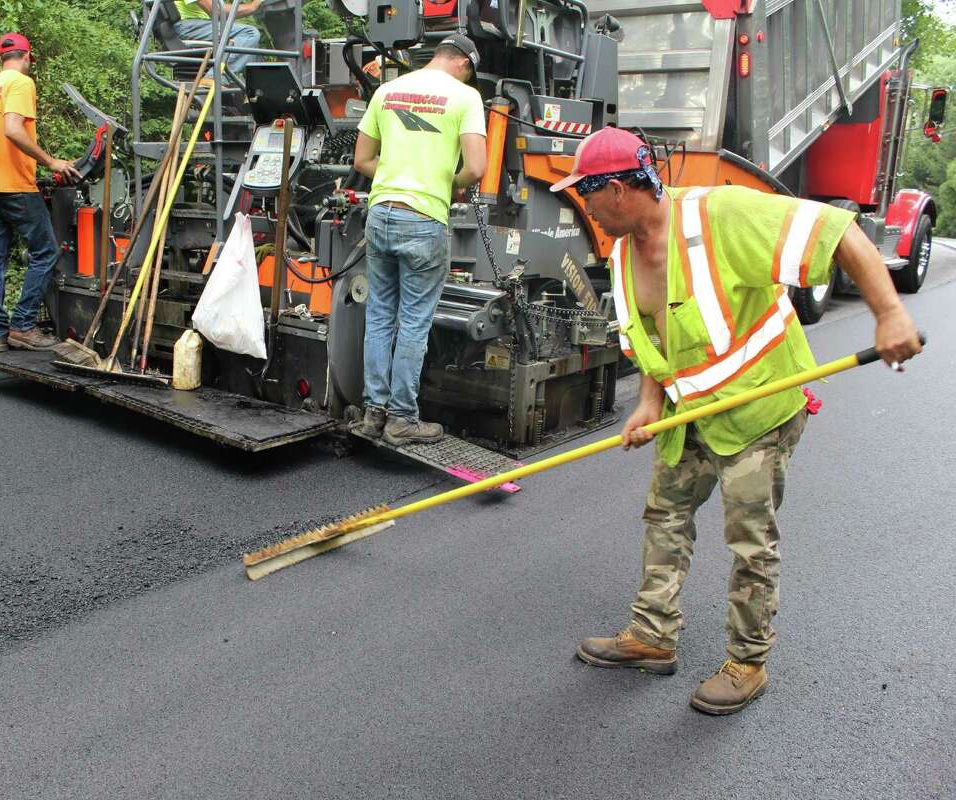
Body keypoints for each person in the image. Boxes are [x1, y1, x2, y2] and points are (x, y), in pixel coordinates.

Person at [550, 127, 923, 714]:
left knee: (749, 541)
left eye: (586, 195)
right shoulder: (623, 254)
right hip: (688, 414)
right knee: (665, 516)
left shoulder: (718, 216)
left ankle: (747, 662)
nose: (583, 206)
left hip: (756, 409)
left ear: (618, 190)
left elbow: (838, 230)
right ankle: (652, 635)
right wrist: (650, 402)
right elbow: (658, 335)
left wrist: (890, 314)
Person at [350, 34, 487, 445]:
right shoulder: (465, 98)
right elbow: (477, 168)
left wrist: (397, 179)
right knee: (412, 323)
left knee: (378, 317)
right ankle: (403, 418)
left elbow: (362, 160)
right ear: (464, 64)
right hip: (423, 219)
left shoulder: (387, 91)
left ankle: (374, 412)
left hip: (380, 213)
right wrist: (446, 184)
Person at [0, 33, 80, 352]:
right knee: (47, 251)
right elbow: (12, 129)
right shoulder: (21, 83)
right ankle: (22, 325)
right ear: (27, 58)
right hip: (15, 185)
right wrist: (50, 162)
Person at [173, 0, 264, 81]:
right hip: (187, 25)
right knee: (249, 33)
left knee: (252, 46)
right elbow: (217, 11)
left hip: (200, 24)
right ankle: (214, 77)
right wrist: (252, 6)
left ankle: (258, 90)